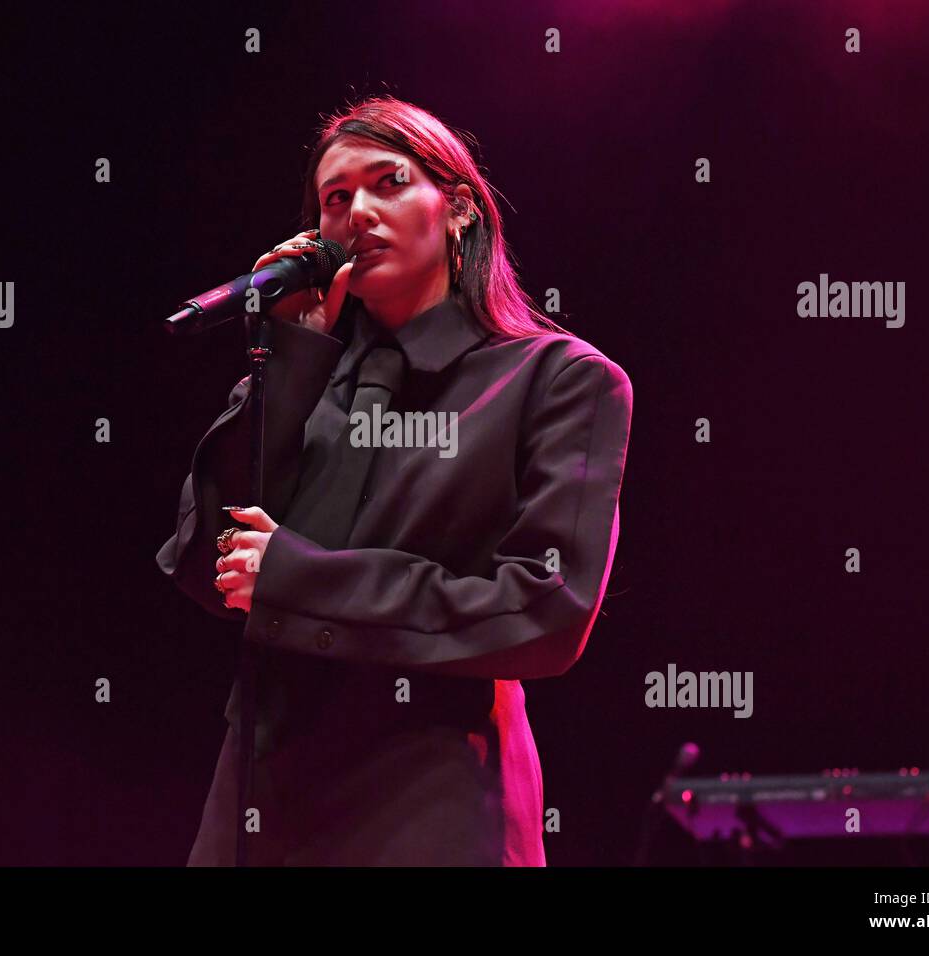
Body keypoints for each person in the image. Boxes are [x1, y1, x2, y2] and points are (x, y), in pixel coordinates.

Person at [157, 96, 633, 865]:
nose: (358, 213)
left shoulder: (557, 380)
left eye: (389, 183)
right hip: (261, 803)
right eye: (335, 199)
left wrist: (302, 581)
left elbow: (546, 610)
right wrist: (291, 358)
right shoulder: (303, 378)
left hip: (432, 801)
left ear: (461, 210)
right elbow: (204, 561)